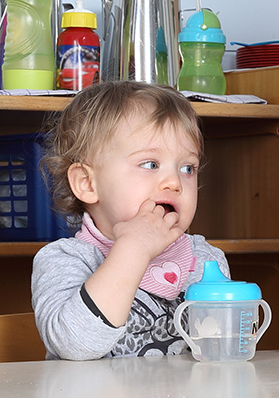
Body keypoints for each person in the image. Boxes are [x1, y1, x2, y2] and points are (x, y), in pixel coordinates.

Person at [31, 81, 229, 360]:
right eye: (150, 164)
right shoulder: (64, 260)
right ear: (87, 183)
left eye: (187, 168)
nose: (174, 182)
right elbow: (74, 345)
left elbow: (222, 354)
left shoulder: (205, 259)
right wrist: (133, 248)